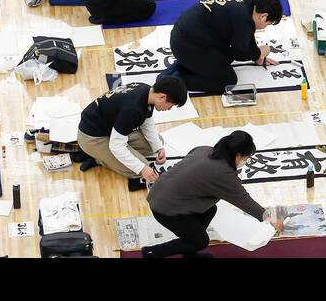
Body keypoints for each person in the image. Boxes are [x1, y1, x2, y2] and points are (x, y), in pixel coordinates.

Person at [141, 131, 285, 258]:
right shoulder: (224, 175)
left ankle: (190, 250)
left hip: (161, 192)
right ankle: (152, 253)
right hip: (166, 208)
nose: (245, 162)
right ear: (238, 155)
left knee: (210, 209)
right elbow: (244, 201)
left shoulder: (204, 150)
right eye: (246, 158)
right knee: (200, 241)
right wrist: (270, 219)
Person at [165, 0, 285, 94]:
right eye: (267, 24)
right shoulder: (243, 20)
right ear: (263, 16)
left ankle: (184, 65)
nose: (264, 27)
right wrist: (259, 52)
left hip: (185, 36)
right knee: (227, 81)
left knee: (226, 57)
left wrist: (256, 55)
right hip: (187, 46)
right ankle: (175, 81)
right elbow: (240, 53)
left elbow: (246, 35)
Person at [77, 78, 186, 187]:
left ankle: (107, 155)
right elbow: (116, 146)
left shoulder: (147, 91)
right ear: (162, 97)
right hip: (92, 138)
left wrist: (158, 148)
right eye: (171, 105)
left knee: (158, 142)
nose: (169, 109)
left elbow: (146, 122)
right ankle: (98, 158)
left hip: (111, 130)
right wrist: (142, 168)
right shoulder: (132, 109)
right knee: (139, 170)